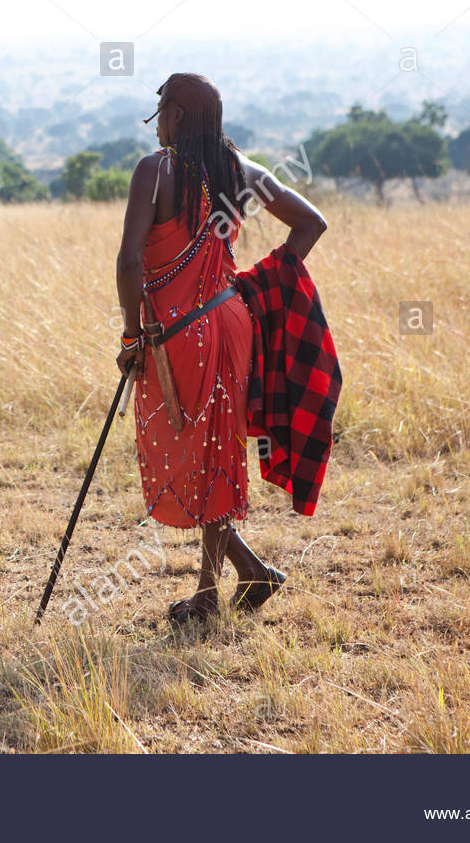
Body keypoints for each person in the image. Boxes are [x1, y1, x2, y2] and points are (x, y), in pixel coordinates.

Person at [115, 73, 327, 623]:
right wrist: (253, 283)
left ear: (177, 116)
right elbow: (311, 223)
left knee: (192, 451)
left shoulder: (153, 171)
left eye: (161, 107)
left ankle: (214, 593)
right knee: (215, 452)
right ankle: (231, 582)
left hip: (177, 332)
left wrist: (130, 333)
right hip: (229, 321)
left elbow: (131, 261)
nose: (158, 118)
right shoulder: (241, 170)